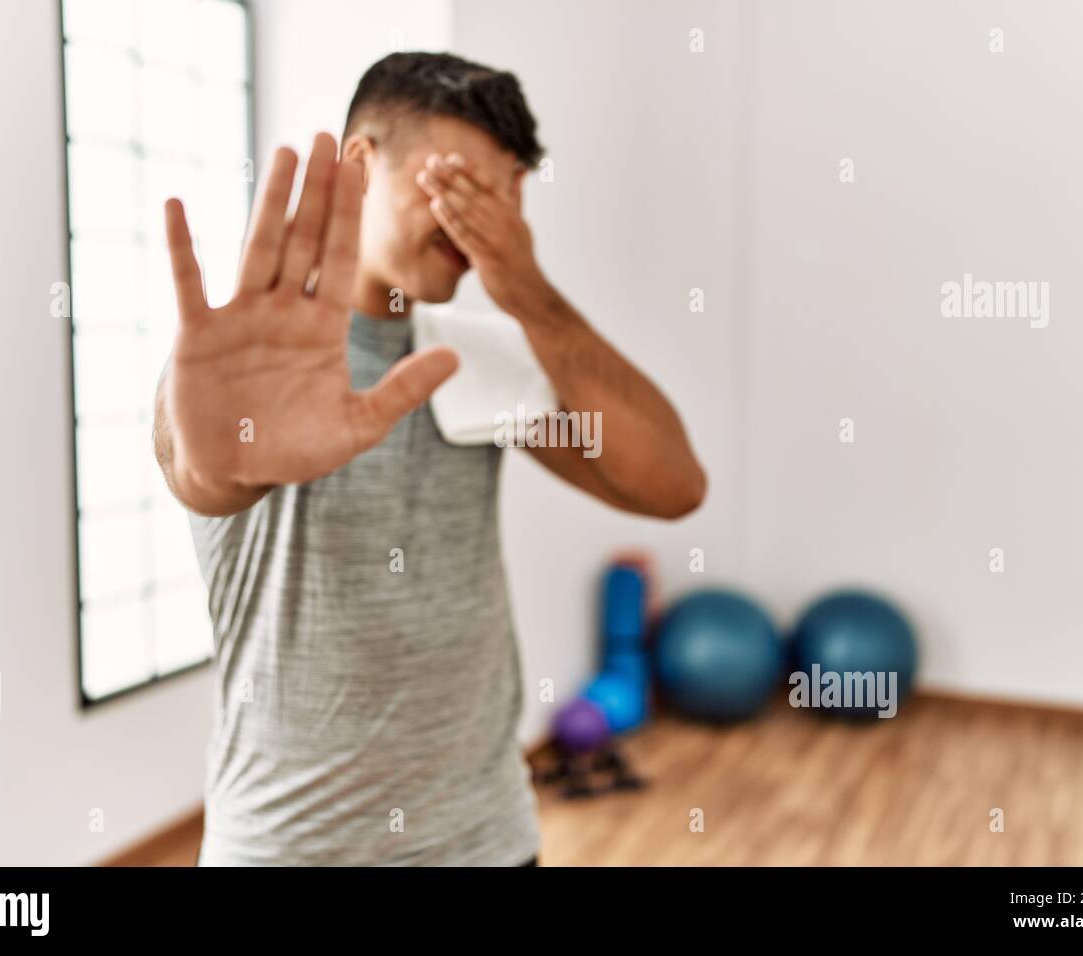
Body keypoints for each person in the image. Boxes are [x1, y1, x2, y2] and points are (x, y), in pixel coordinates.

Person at [153, 52, 705, 866]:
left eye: (499, 202)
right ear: (359, 167)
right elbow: (201, 468)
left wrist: (529, 290)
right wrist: (219, 459)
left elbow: (673, 484)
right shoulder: (250, 367)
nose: (473, 227)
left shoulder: (483, 358)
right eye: (453, 187)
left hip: (487, 842)